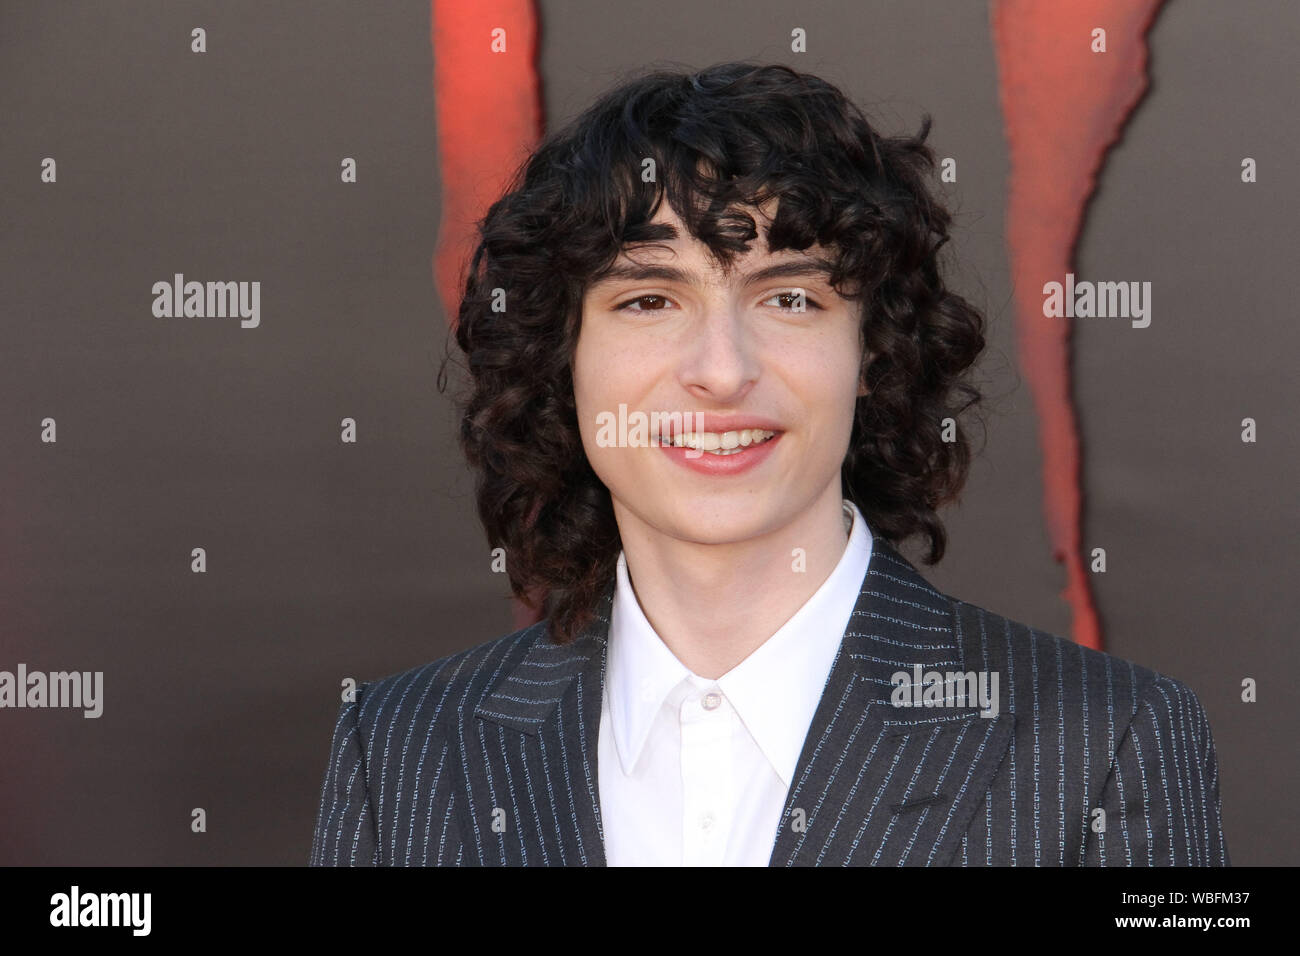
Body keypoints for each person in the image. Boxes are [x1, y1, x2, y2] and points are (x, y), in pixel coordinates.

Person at [310, 61, 1228, 866]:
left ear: (872, 353)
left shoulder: (1103, 741)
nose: (721, 370)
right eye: (647, 300)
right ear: (564, 357)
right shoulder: (401, 755)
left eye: (790, 297)